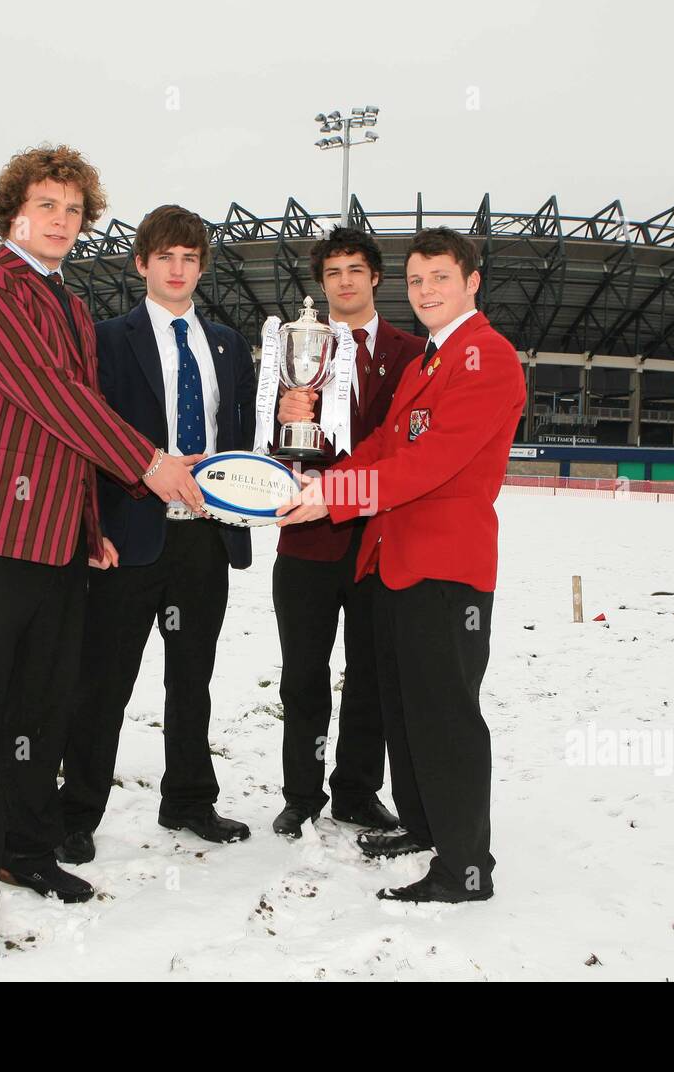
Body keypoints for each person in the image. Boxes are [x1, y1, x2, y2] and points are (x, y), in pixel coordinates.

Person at [0, 147, 202, 973]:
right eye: (44, 204)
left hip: (55, 544)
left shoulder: (73, 304)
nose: (59, 219)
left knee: (41, 715)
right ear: (12, 212)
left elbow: (65, 442)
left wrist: (91, 526)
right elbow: (48, 394)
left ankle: (23, 846)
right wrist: (149, 463)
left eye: (74, 209)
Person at [278, 227, 525, 903]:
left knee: (445, 717)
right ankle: (423, 824)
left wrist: (332, 494)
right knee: (408, 711)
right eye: (417, 281)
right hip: (390, 563)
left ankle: (465, 868)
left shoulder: (487, 357)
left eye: (440, 278)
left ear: (472, 281)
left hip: (445, 570)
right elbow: (384, 446)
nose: (427, 292)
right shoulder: (429, 364)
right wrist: (315, 491)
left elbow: (425, 466)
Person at [58, 205, 256, 857]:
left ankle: (189, 801)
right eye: (165, 256)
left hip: (204, 537)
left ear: (202, 266)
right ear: (141, 263)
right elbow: (87, 438)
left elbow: (241, 440)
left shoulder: (227, 345)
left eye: (190, 258)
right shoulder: (109, 339)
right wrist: (92, 527)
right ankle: (76, 813)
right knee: (104, 682)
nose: (178, 269)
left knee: (191, 678)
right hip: (130, 535)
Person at [270, 227, 423, 839]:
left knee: (371, 675)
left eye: (355, 270)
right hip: (307, 540)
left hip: (379, 538)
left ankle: (356, 791)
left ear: (376, 277)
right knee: (303, 675)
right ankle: (301, 793)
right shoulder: (294, 349)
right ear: (321, 282)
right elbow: (275, 452)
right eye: (333, 273)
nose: (345, 282)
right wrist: (284, 422)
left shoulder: (413, 352)